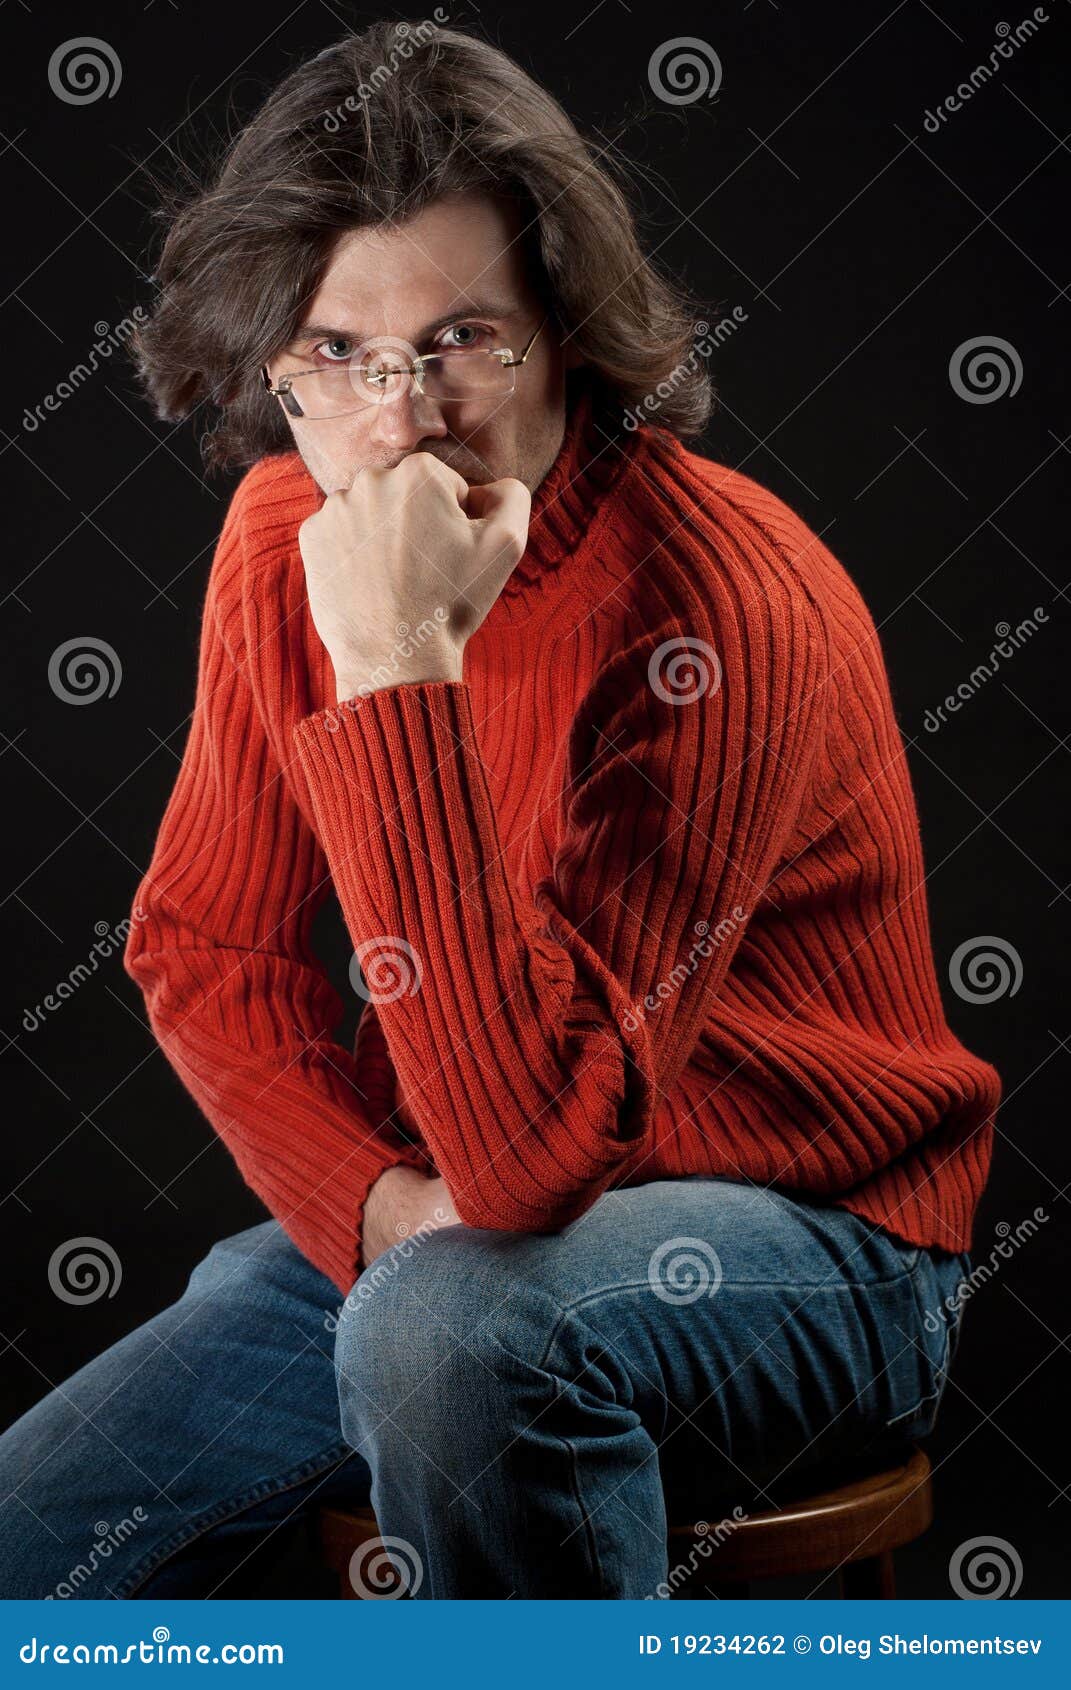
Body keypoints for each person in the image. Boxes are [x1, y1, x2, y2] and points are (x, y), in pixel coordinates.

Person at [0, 22, 995, 1600]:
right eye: (336, 351)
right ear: (277, 359)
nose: (399, 423)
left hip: (821, 1243)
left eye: (465, 339)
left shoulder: (718, 604)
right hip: (445, 1215)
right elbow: (202, 947)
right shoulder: (285, 529)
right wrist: (378, 1203)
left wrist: (399, 663)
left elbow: (542, 1155)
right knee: (28, 1529)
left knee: (446, 1330)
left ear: (571, 337)